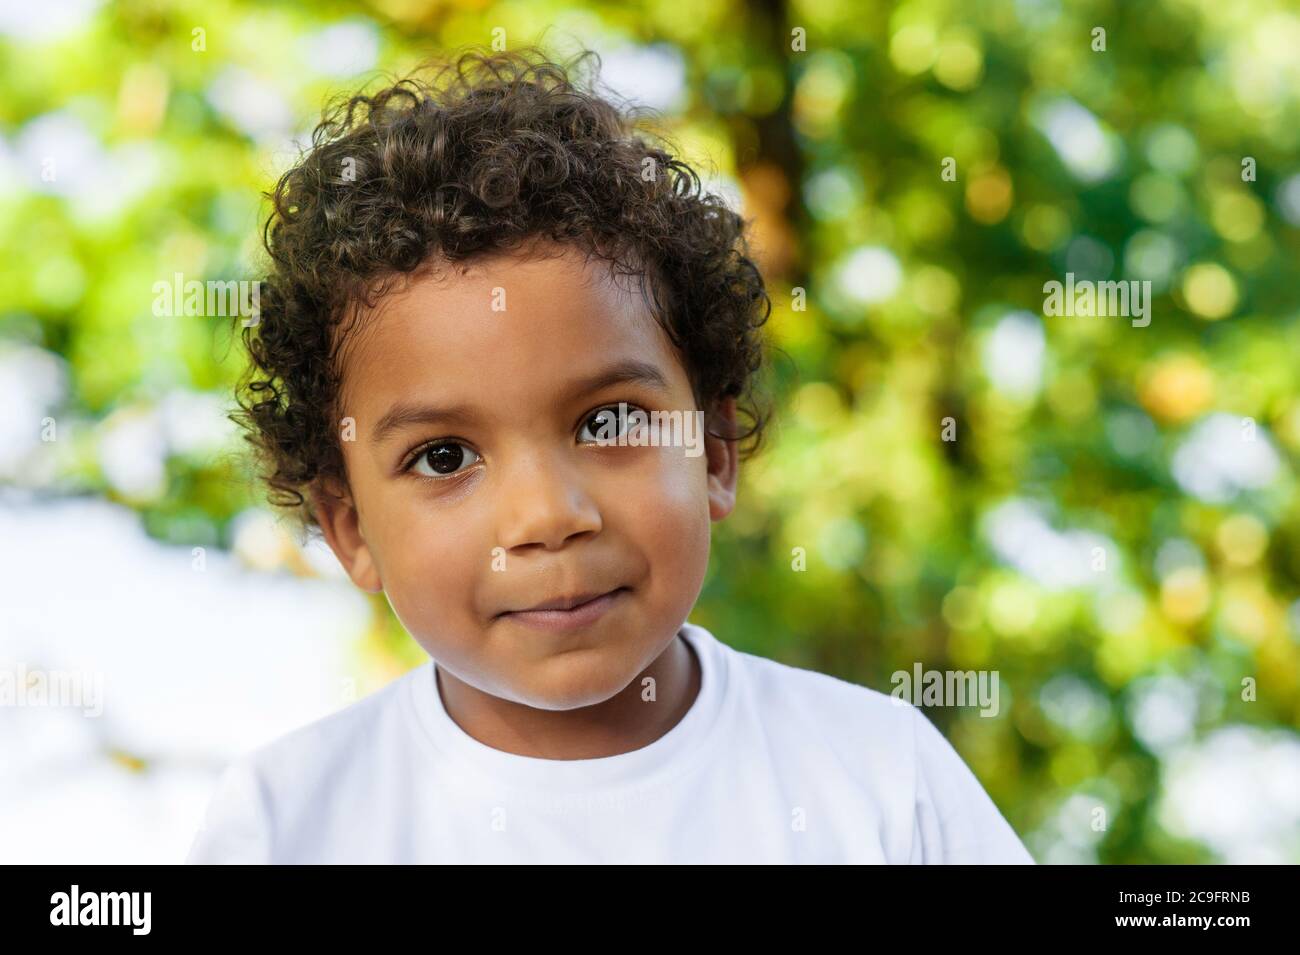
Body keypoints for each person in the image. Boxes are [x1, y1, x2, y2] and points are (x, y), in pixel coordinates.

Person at [186, 46, 1034, 864]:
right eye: (443, 456)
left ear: (712, 450)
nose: (548, 515)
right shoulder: (285, 824)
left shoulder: (881, 777)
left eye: (608, 422)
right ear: (350, 528)